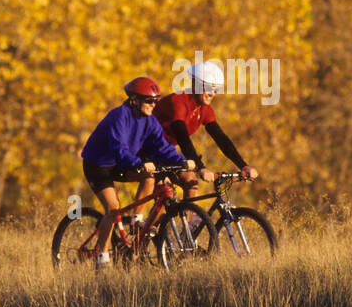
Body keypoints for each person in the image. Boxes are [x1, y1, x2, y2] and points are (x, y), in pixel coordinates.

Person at [81, 77, 207, 267]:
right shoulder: (119, 116)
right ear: (134, 100)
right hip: (98, 165)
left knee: (151, 178)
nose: (154, 104)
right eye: (150, 101)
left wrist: (180, 161)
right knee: (113, 209)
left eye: (156, 100)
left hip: (121, 164)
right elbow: (119, 148)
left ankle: (136, 221)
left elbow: (162, 146)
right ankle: (103, 259)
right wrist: (138, 162)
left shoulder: (149, 120)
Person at [154, 61, 259, 205]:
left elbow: (220, 138)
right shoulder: (179, 100)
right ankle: (141, 224)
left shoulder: (204, 108)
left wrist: (243, 165)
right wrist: (200, 166)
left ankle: (188, 226)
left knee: (192, 182)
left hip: (167, 151)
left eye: (217, 90)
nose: (213, 93)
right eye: (209, 88)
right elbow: (182, 136)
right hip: (147, 149)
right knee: (166, 196)